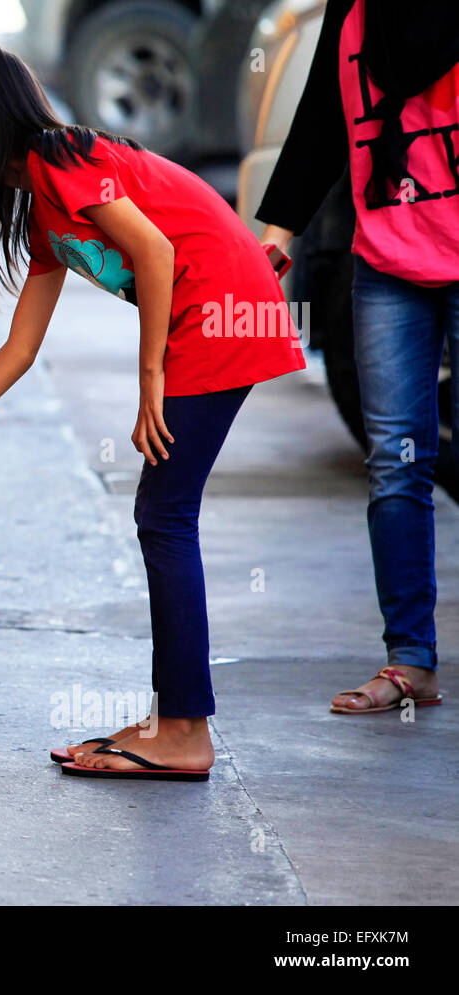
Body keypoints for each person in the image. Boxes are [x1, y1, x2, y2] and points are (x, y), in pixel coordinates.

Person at [0, 46, 305, 780]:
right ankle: (174, 716)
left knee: (165, 515)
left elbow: (156, 250)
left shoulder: (61, 159)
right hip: (219, 309)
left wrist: (151, 379)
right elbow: (20, 346)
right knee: (164, 514)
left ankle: (184, 730)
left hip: (220, 314)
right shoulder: (43, 206)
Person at [257, 0, 458, 715]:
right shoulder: (353, 10)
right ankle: (410, 662)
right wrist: (279, 234)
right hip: (389, 263)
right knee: (394, 462)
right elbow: (319, 119)